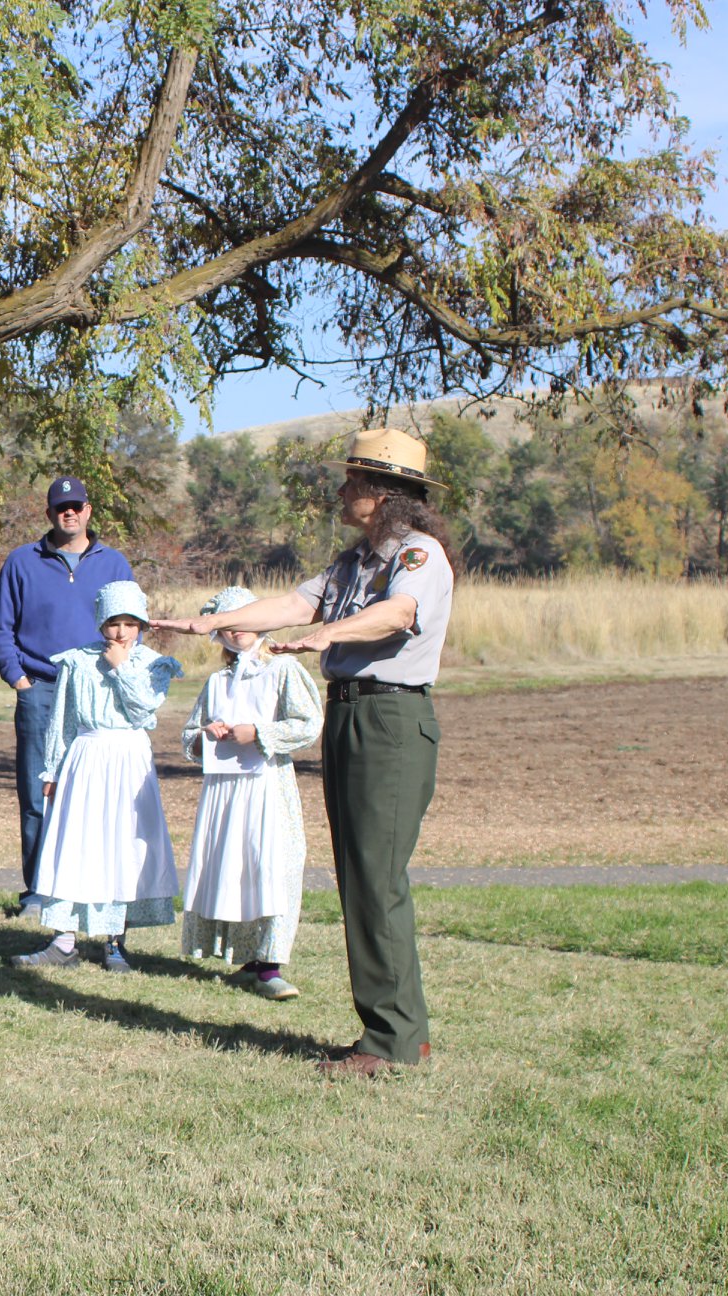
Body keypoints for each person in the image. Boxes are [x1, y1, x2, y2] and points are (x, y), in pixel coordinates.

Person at [152, 428, 455, 1076]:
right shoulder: (354, 561)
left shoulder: (417, 556)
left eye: (354, 481)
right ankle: (398, 1034)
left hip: (391, 719)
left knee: (377, 880)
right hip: (352, 714)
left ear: (384, 491)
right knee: (359, 882)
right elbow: (293, 601)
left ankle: (392, 1042)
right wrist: (210, 624)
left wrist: (327, 636)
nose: (343, 491)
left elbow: (399, 615)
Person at [11, 581, 181, 971]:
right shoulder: (78, 661)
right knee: (77, 843)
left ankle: (115, 941)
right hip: (86, 758)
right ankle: (63, 942)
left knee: (120, 847)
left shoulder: (152, 664)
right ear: (101, 623)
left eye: (129, 624)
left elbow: (142, 710)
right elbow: (63, 721)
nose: (120, 632)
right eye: (113, 623)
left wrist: (120, 668)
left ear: (141, 624)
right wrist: (52, 769)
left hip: (127, 760)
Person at [0, 477, 135, 905]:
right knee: (37, 795)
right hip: (42, 690)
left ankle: (91, 892)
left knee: (94, 793)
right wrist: (21, 682)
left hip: (95, 693)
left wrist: (118, 677)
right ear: (49, 514)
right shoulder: (21, 562)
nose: (69, 513)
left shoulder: (114, 564)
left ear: (88, 511)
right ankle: (40, 892)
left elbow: (130, 626)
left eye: (76, 506)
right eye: (60, 507)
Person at [178, 586, 324, 1000]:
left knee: (272, 863)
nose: (237, 631)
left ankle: (270, 962)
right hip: (226, 787)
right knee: (234, 864)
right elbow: (189, 735)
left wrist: (259, 733)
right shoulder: (217, 681)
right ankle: (246, 957)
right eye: (228, 624)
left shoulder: (281, 670)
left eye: (244, 621)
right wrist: (206, 734)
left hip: (267, 784)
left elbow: (308, 723)